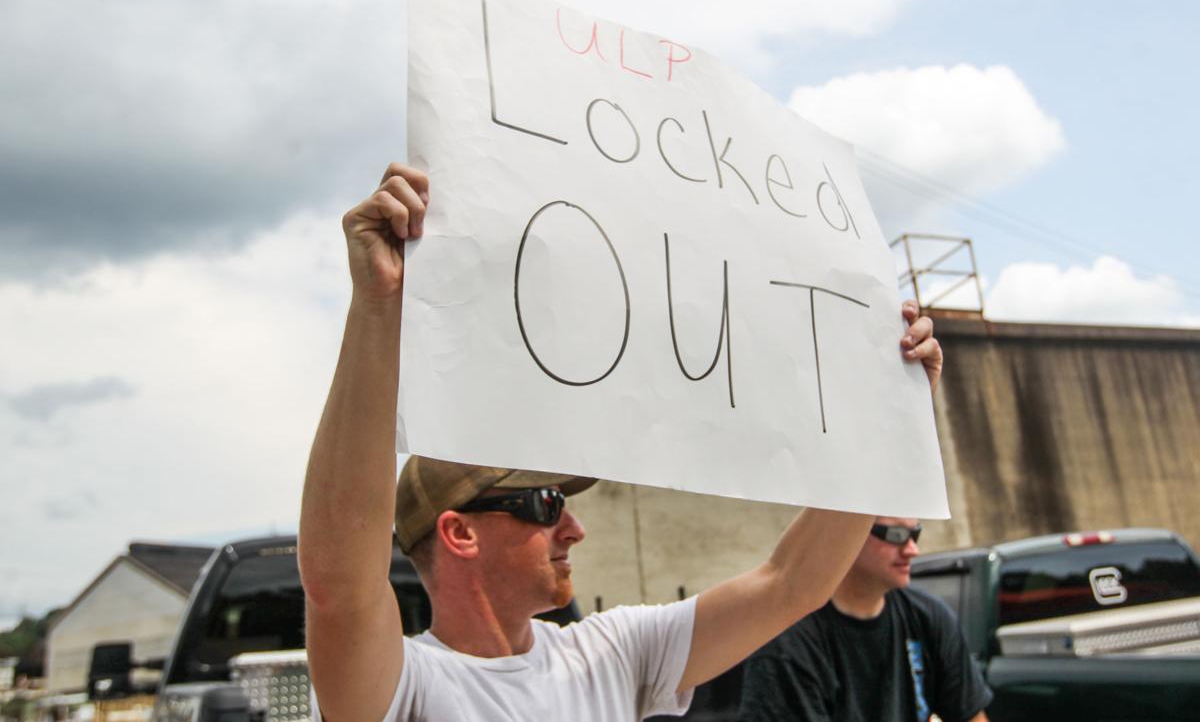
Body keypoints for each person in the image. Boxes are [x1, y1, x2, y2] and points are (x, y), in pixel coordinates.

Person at [297, 163, 945, 721]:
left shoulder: (610, 652)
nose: (574, 529)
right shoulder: (405, 687)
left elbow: (791, 583)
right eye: (546, 505)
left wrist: (887, 417)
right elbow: (340, 587)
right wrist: (378, 305)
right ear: (459, 533)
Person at [738, 517, 992, 722]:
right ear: (846, 535)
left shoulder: (928, 617)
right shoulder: (791, 638)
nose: (912, 550)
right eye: (895, 535)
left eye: (915, 534)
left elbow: (971, 715)